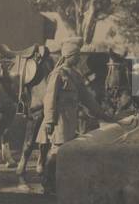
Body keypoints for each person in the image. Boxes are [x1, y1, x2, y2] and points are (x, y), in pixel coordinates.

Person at [40, 37, 116, 194]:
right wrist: (49, 121)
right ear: (69, 55)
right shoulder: (58, 74)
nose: (79, 58)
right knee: (56, 150)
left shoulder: (75, 75)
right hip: (59, 119)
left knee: (68, 150)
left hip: (71, 119)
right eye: (77, 55)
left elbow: (87, 99)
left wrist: (104, 115)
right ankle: (47, 184)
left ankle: (62, 183)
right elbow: (49, 99)